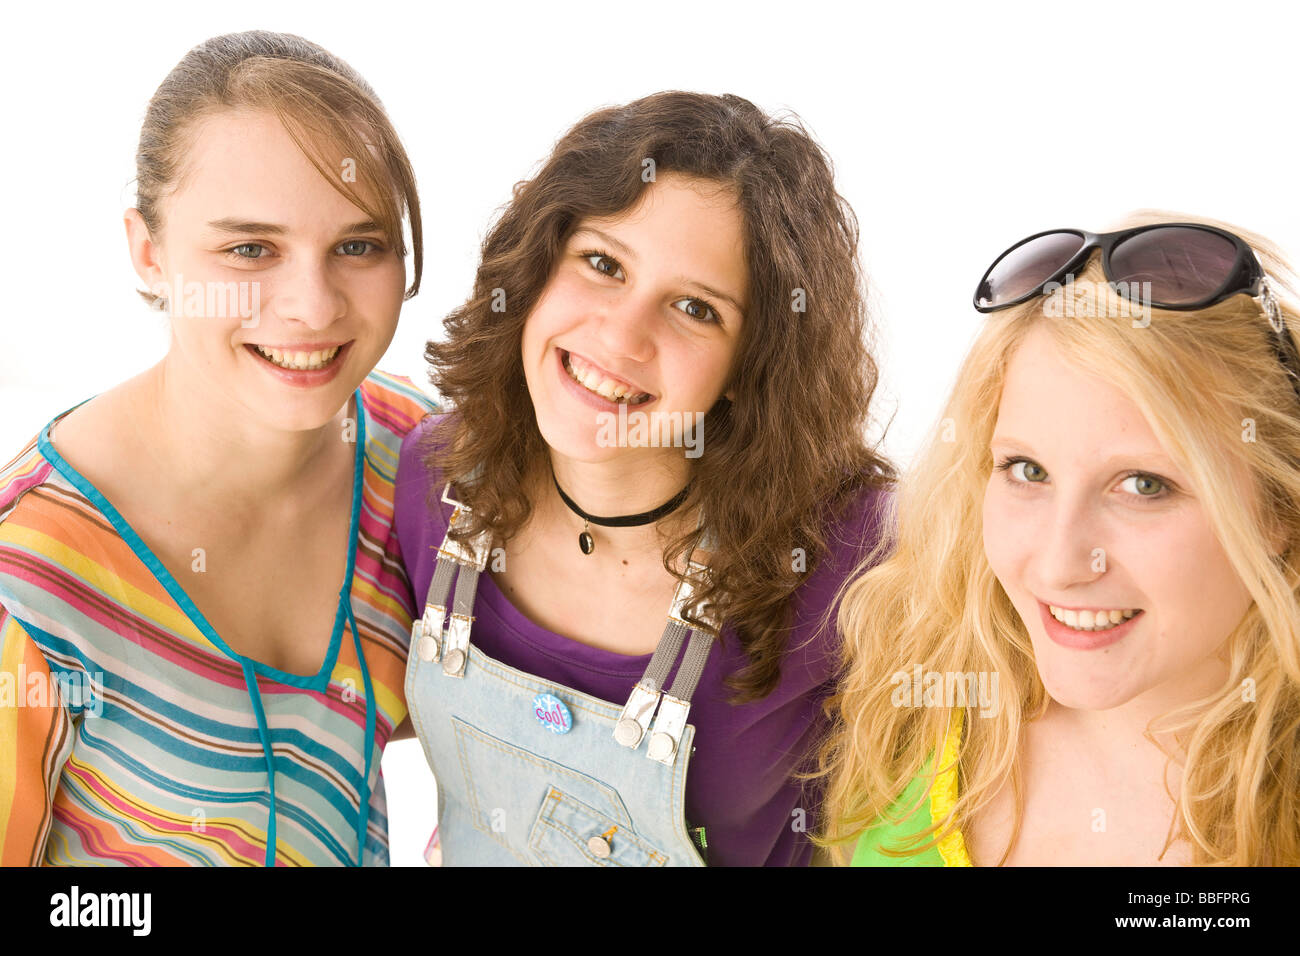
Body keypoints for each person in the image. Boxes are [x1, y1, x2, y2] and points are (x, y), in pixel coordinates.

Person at [395, 91, 895, 866]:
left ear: (750, 365)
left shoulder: (852, 554)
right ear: (537, 266)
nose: (621, 336)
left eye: (695, 308)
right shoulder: (435, 480)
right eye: (603, 263)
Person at [0, 31, 434, 866]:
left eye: (357, 245)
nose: (312, 307)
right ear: (149, 253)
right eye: (249, 249)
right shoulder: (29, 577)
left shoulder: (418, 461)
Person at [819, 213, 1300, 866]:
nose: (1059, 563)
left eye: (1144, 486)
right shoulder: (916, 718)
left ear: (1279, 510)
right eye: (1027, 470)